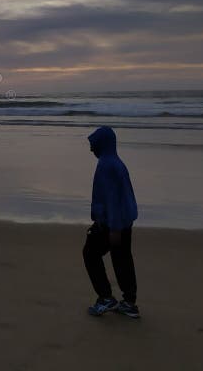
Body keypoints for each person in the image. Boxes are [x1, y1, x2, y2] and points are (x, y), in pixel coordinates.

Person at [82, 126, 140, 318]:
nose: (91, 149)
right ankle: (129, 302)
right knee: (122, 258)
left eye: (94, 145)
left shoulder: (107, 165)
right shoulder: (116, 162)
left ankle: (106, 298)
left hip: (113, 223)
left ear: (103, 144)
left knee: (90, 253)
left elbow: (113, 198)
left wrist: (114, 228)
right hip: (124, 220)